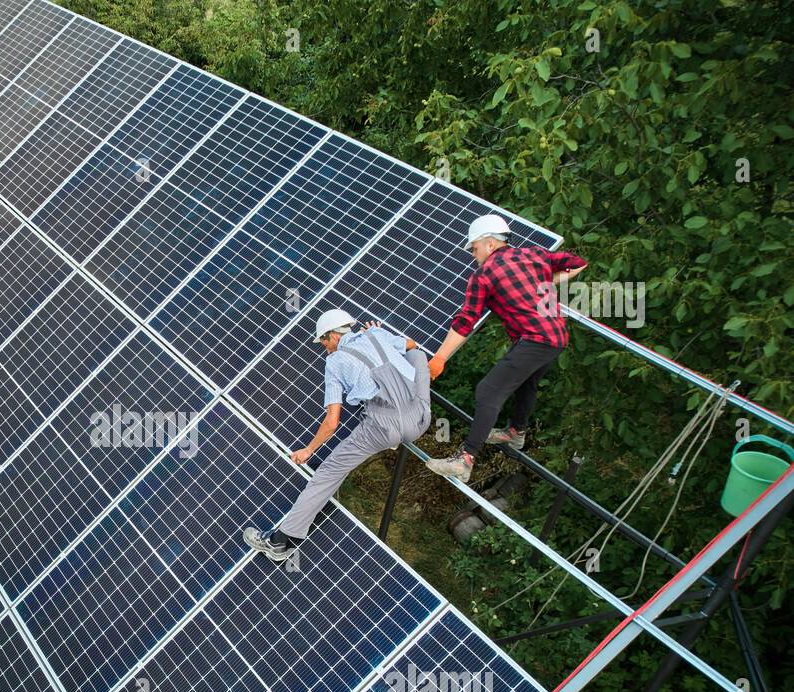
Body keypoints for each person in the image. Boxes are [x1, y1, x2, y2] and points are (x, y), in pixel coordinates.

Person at [245, 308, 431, 561]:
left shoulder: (333, 362)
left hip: (383, 429)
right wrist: (378, 334)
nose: (323, 346)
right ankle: (399, 428)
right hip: (421, 416)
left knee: (328, 473)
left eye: (322, 340)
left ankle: (280, 542)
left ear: (333, 335)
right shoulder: (376, 334)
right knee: (418, 357)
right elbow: (411, 345)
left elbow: (332, 422)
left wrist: (309, 450)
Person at [424, 213, 587, 480]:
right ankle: (516, 433)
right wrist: (547, 280)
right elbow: (577, 262)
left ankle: (465, 459)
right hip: (556, 336)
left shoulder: (484, 274)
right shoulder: (533, 255)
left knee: (487, 391)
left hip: (534, 339)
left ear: (489, 244)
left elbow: (466, 322)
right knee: (527, 384)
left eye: (474, 248)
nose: (474, 255)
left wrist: (439, 358)